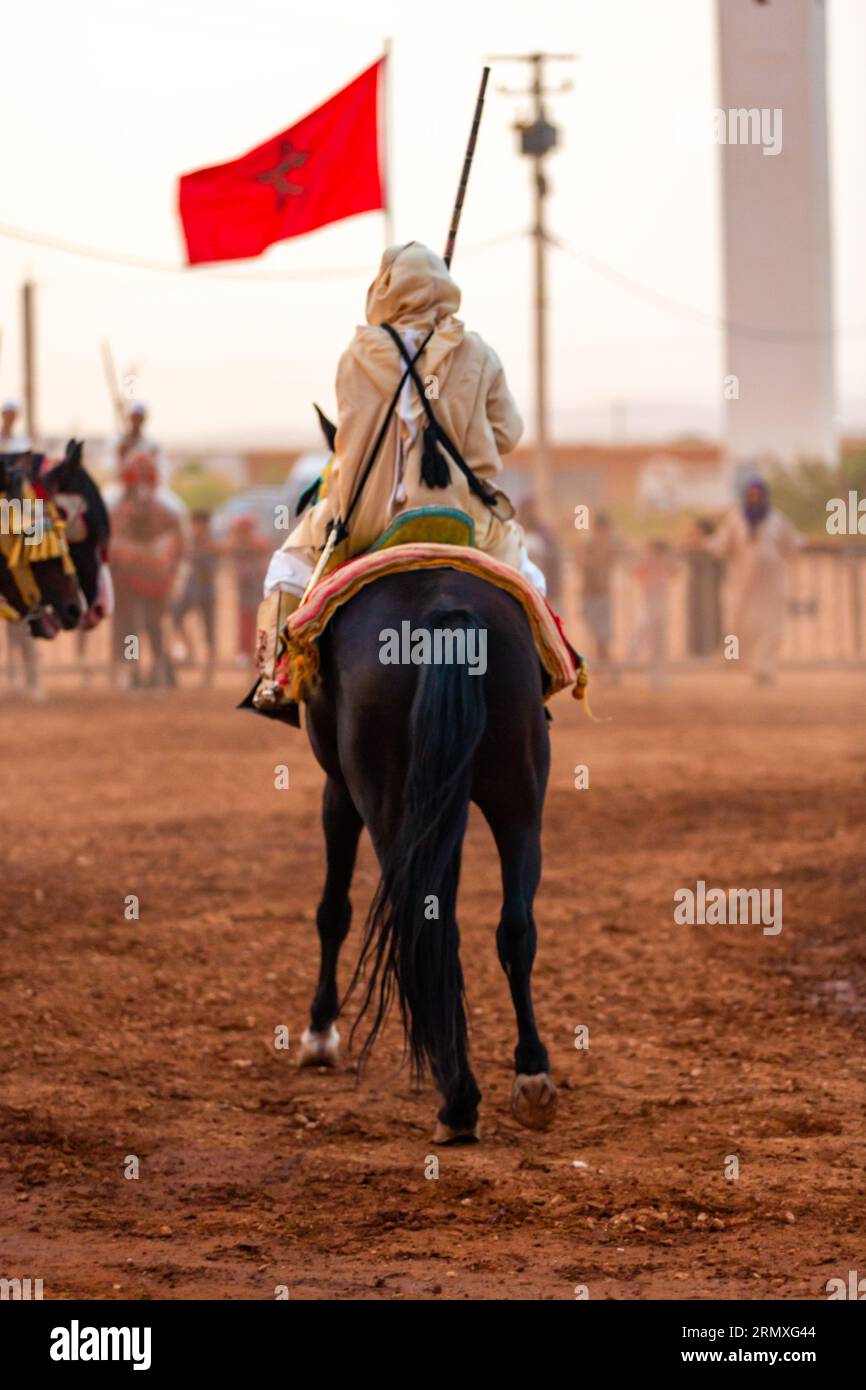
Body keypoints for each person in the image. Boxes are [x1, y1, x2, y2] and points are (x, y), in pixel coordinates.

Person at [255, 242, 543, 689]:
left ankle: (274, 679)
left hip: (368, 519)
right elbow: (507, 435)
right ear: (442, 290)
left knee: (287, 568)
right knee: (529, 578)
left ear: (386, 289)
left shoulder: (357, 355)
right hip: (463, 518)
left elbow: (350, 444)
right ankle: (539, 680)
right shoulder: (478, 352)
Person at [706, 477, 802, 685]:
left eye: (758, 494)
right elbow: (722, 545)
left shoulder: (778, 519)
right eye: (751, 494)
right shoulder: (735, 519)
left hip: (771, 586)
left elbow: (792, 545)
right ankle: (736, 663)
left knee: (770, 627)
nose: (755, 498)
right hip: (742, 585)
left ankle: (764, 669)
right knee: (739, 625)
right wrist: (704, 542)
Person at [109, 452, 185, 689]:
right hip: (126, 583)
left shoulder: (168, 512)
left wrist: (170, 572)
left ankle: (160, 669)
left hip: (156, 581)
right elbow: (110, 549)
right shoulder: (116, 513)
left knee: (154, 625)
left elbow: (177, 546)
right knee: (130, 628)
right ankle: (133, 671)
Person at [172, 509, 219, 684]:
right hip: (189, 592)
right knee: (174, 618)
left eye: (201, 525)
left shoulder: (212, 544)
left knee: (209, 634)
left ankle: (209, 673)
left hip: (207, 594)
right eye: (195, 525)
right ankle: (189, 650)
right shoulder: (188, 544)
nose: (197, 528)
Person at [628, 538, 678, 689]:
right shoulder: (647, 563)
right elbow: (637, 573)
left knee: (660, 640)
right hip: (649, 603)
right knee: (645, 631)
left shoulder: (663, 564)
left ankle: (659, 674)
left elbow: (675, 572)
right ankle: (635, 657)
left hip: (659, 604)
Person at [578, 513, 621, 666]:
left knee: (603, 635)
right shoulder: (588, 543)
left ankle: (607, 666)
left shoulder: (611, 544)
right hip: (589, 593)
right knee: (596, 632)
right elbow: (581, 561)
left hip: (603, 593)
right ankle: (605, 665)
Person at [684, 517, 723, 657]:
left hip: (711, 585)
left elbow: (717, 551)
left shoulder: (714, 542)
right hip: (696, 585)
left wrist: (701, 544)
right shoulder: (691, 543)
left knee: (712, 616)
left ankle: (714, 650)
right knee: (695, 615)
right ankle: (697, 651)